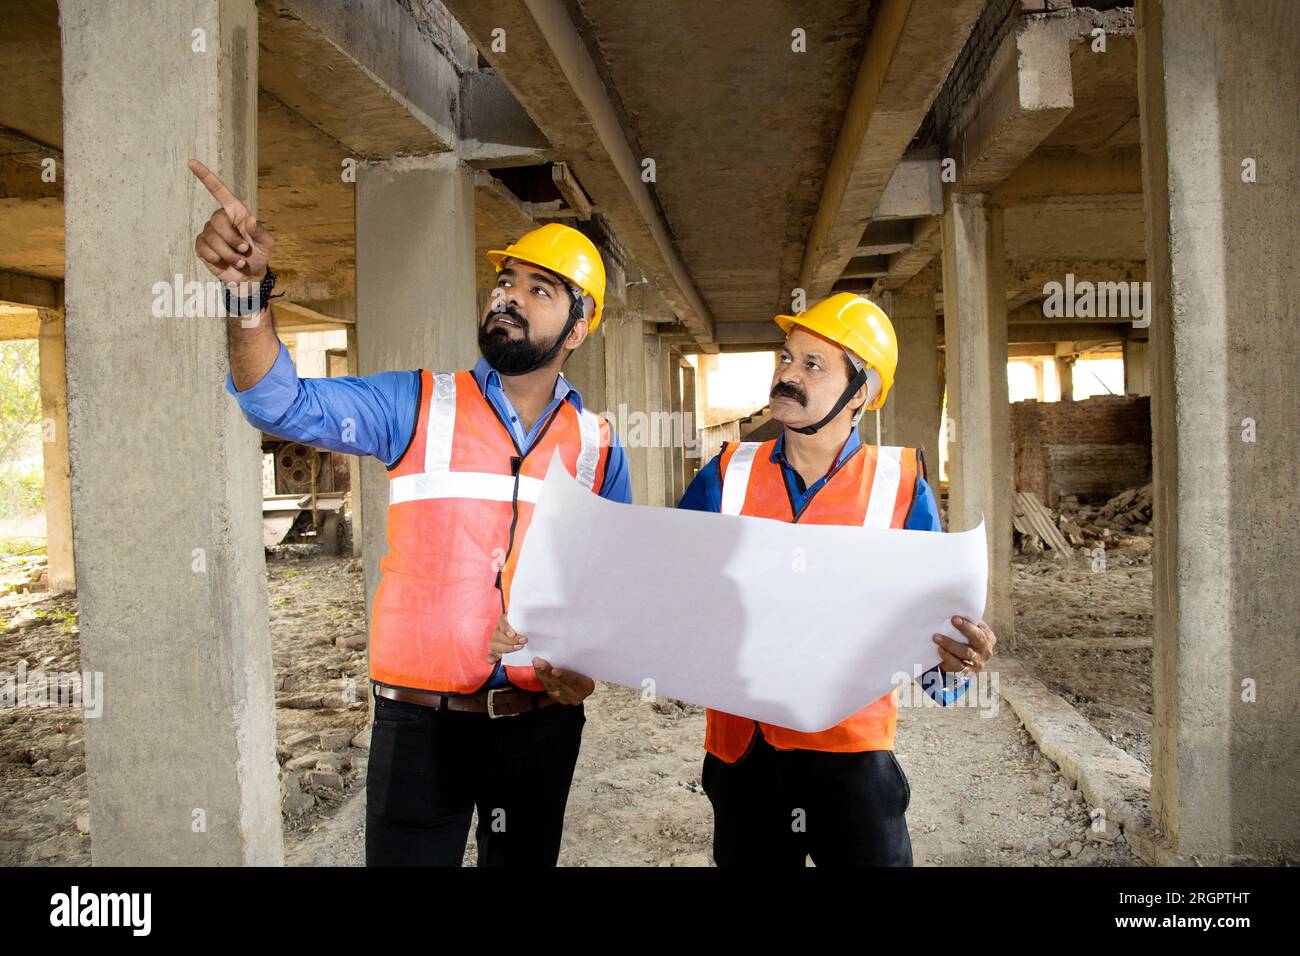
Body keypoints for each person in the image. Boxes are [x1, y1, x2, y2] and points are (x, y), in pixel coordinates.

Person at [190, 159, 625, 866]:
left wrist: (588, 665)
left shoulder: (599, 443)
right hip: (421, 725)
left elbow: (614, 581)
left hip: (538, 726)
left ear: (579, 327)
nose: (507, 298)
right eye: (505, 282)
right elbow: (275, 402)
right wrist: (246, 296)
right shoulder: (416, 404)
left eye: (538, 290)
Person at [677, 292, 997, 866]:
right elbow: (670, 582)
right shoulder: (726, 473)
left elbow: (934, 629)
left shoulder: (900, 488)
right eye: (786, 358)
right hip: (742, 754)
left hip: (851, 754)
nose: (787, 374)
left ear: (863, 393)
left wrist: (953, 665)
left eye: (812, 364)